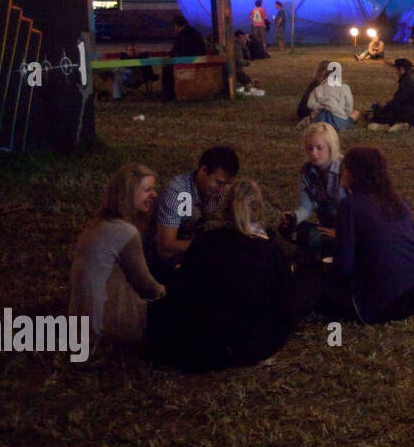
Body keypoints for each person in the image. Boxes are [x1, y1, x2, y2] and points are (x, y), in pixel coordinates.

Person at [147, 179, 303, 372]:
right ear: (258, 210)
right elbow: (284, 305)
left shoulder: (204, 243)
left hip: (208, 342)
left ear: (225, 208)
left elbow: (184, 292)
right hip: (256, 345)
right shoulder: (269, 251)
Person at [322, 147, 414, 323]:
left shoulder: (350, 206)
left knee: (316, 285)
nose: (342, 172)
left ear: (354, 174)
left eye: (346, 168)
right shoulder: (398, 201)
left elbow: (343, 267)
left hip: (385, 302)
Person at [69, 163, 168, 354]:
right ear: (128, 194)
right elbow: (146, 286)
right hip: (108, 324)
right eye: (147, 190)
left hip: (82, 322)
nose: (154, 195)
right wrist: (166, 290)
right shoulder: (124, 231)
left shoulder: (98, 223)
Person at [155, 146, 240, 272]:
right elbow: (166, 247)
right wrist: (209, 244)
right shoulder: (178, 192)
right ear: (203, 170)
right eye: (218, 182)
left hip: (198, 253)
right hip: (169, 263)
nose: (221, 190)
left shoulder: (222, 192)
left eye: (225, 184)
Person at [279, 122, 347, 252]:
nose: (314, 153)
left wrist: (342, 232)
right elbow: (306, 207)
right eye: (310, 148)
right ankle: (329, 245)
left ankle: (336, 245)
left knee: (327, 239)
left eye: (319, 148)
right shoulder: (307, 171)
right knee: (286, 228)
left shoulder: (345, 168)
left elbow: (360, 210)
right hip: (327, 227)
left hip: (351, 227)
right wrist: (294, 217)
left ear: (331, 147)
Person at [356, 58, 414, 131]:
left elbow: (398, 102)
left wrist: (383, 110)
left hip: (413, 115)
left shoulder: (406, 81)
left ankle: (401, 124)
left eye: (396, 69)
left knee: (380, 117)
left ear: (402, 69)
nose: (396, 72)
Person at [163, 15, 206, 101]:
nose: (174, 28)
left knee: (167, 70)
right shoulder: (192, 32)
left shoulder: (184, 35)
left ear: (177, 25)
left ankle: (169, 95)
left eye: (174, 26)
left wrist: (172, 58)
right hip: (195, 60)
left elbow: (180, 50)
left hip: (189, 62)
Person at [306, 59, 354, 131]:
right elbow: (349, 106)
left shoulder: (318, 89)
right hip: (338, 121)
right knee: (356, 114)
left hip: (320, 120)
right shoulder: (345, 87)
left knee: (313, 116)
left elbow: (310, 104)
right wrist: (345, 114)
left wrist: (319, 107)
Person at [231, 30, 266, 96]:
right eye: (241, 38)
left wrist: (244, 46)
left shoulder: (239, 45)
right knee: (248, 82)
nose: (242, 40)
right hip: (235, 71)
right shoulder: (236, 46)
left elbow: (248, 56)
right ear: (236, 38)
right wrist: (248, 63)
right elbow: (239, 61)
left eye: (243, 38)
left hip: (237, 70)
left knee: (248, 80)